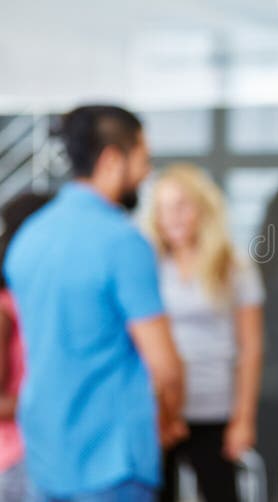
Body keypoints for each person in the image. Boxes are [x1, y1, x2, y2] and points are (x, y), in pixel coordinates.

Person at [3, 105, 185, 501]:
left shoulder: (28, 238)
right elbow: (166, 368)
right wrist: (169, 420)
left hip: (44, 457)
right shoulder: (123, 241)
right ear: (112, 159)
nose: (147, 173)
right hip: (110, 463)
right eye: (143, 159)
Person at [146, 164, 265, 502]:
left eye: (181, 206)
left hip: (215, 410)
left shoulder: (233, 266)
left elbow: (251, 347)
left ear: (201, 208)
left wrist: (244, 419)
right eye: (164, 209)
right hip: (161, 414)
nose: (172, 218)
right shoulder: (150, 266)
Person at [0, 192, 52, 501]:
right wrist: (54, 401)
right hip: (17, 462)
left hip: (47, 456)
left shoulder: (35, 298)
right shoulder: (5, 307)